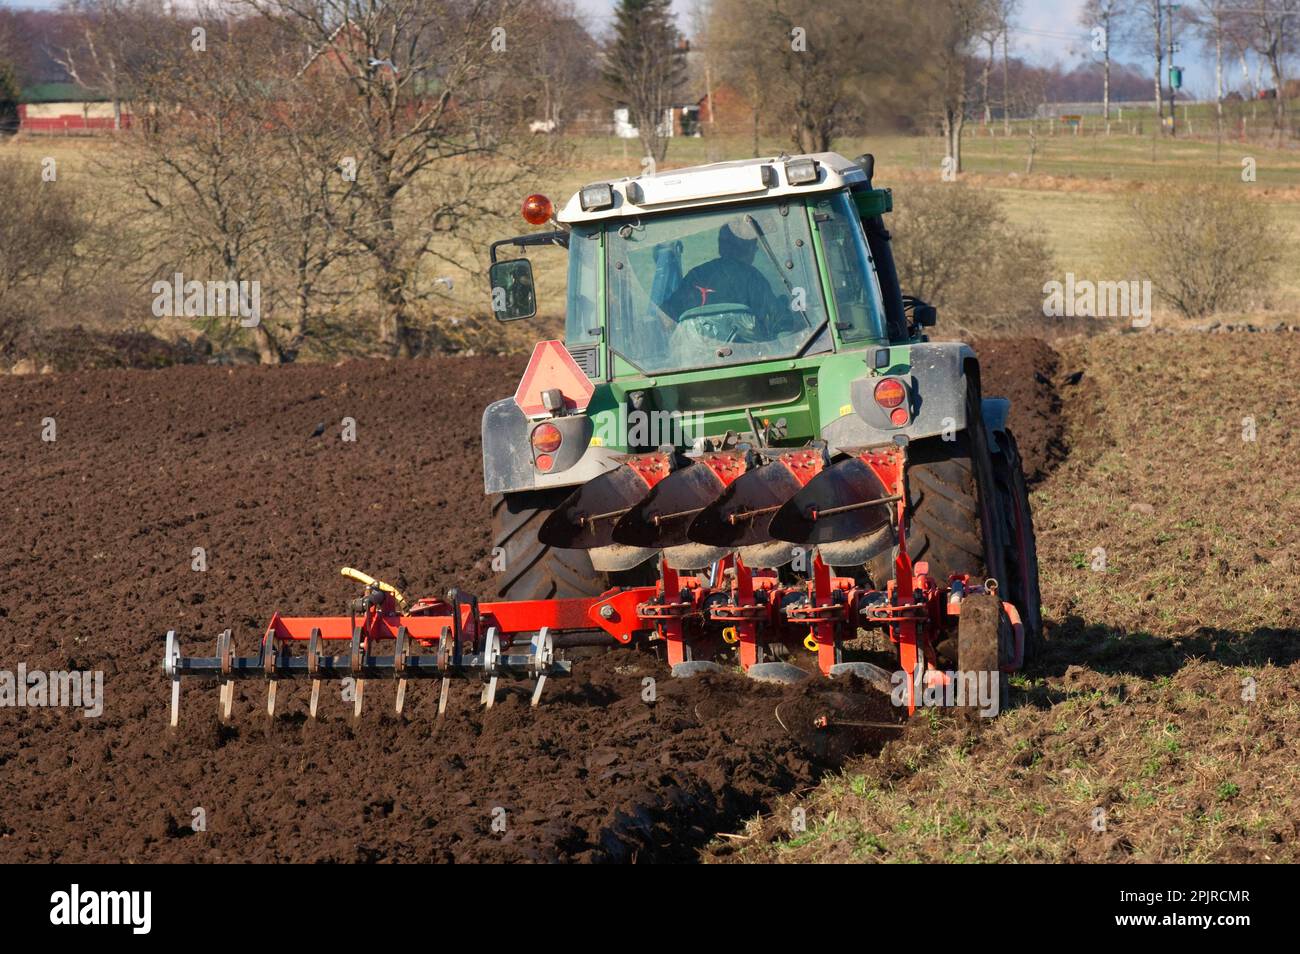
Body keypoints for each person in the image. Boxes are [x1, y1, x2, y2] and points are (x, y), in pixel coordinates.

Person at [661, 217, 788, 332]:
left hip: (700, 354)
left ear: (721, 247)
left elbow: (666, 320)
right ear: (750, 250)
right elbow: (779, 321)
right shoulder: (753, 278)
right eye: (755, 248)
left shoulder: (696, 275)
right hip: (744, 354)